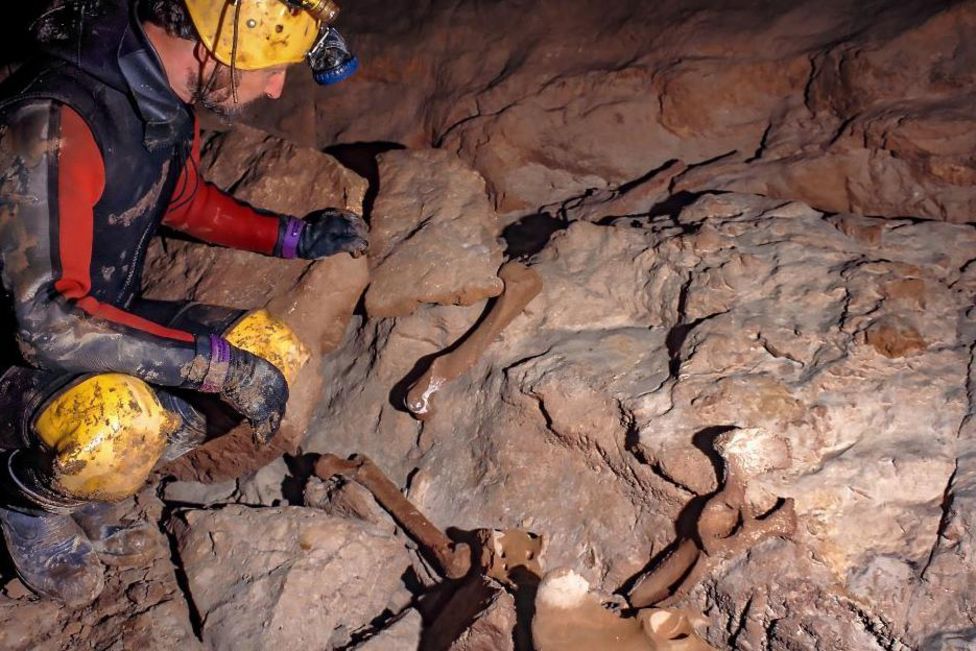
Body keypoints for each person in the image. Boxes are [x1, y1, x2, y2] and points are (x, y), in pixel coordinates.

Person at [0, 0, 367, 607]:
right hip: (23, 356)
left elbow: (183, 201)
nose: (277, 90)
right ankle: (28, 499)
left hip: (100, 323)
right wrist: (214, 366)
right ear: (217, 41)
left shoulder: (163, 98)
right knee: (122, 420)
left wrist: (293, 237)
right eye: (273, 67)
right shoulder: (53, 121)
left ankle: (93, 479)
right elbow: (46, 322)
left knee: (271, 351)